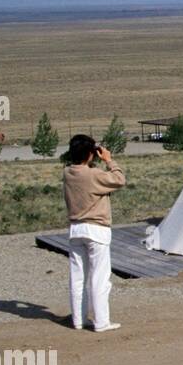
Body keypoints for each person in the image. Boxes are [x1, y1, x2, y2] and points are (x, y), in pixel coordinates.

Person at [62, 134, 126, 332]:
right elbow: (119, 179)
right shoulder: (93, 174)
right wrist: (108, 159)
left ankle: (79, 319)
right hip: (96, 229)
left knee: (78, 276)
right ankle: (101, 321)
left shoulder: (67, 172)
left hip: (76, 228)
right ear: (90, 154)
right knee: (99, 277)